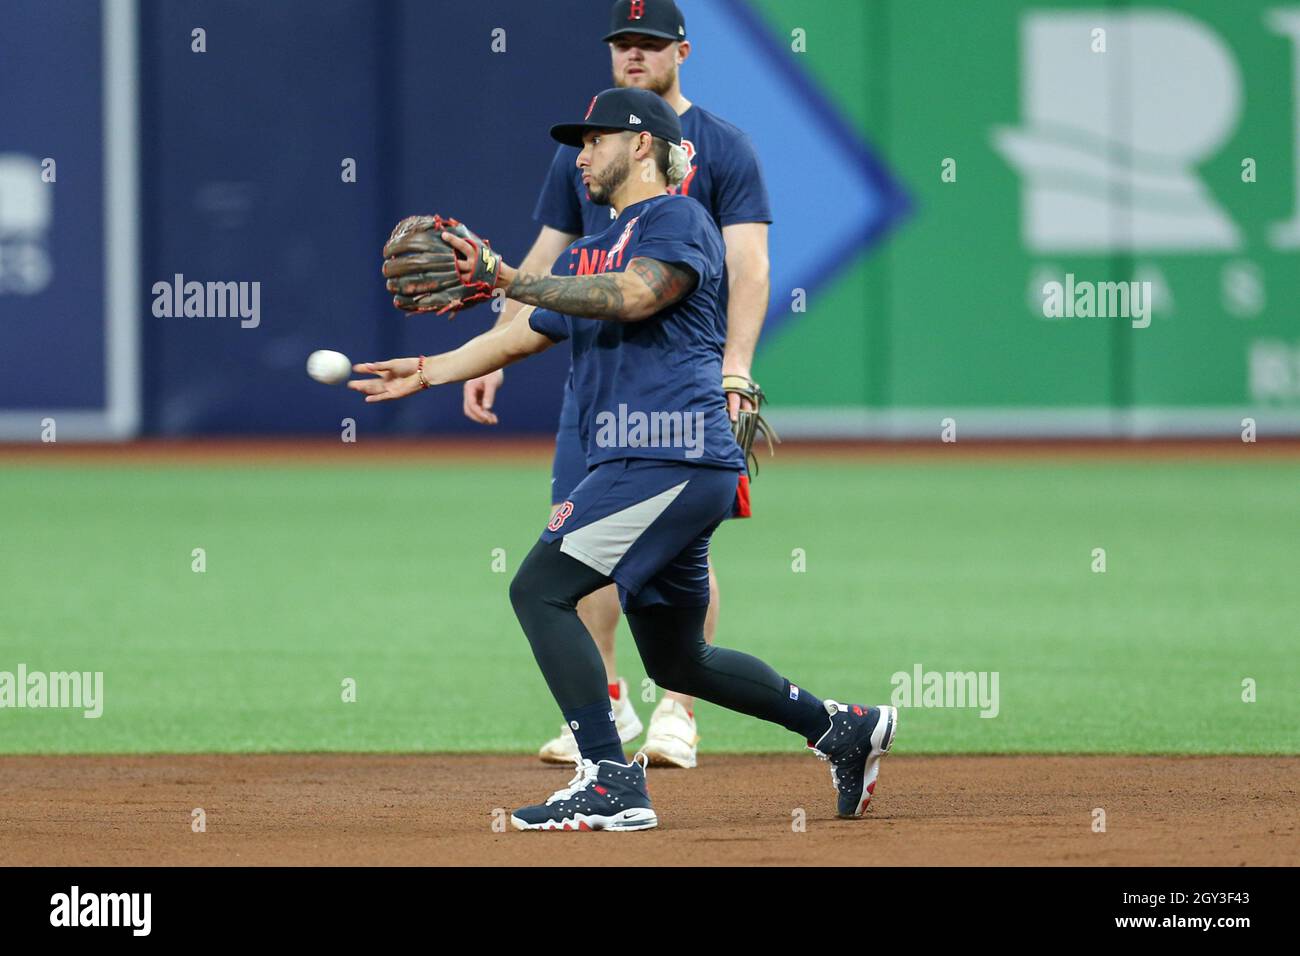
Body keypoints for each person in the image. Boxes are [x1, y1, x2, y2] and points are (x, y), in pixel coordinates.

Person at [351, 87, 896, 831]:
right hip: (652, 465)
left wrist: (508, 276)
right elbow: (521, 334)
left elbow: (636, 296)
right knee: (678, 662)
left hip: (666, 457)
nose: (580, 155)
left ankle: (610, 779)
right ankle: (842, 728)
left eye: (593, 140)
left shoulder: (679, 219)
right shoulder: (585, 248)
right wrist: (432, 368)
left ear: (641, 144)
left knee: (539, 589)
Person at [462, 0, 773, 770]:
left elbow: (749, 267)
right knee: (578, 534)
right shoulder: (591, 150)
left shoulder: (721, 147)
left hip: (678, 386)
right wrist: (495, 351)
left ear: (682, 51)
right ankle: (601, 706)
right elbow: (548, 255)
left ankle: (678, 710)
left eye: (650, 43)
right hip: (599, 386)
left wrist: (736, 366)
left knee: (670, 539)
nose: (633, 54)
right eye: (622, 43)